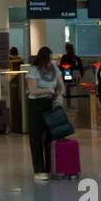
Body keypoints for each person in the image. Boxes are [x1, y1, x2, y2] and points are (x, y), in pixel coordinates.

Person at [24, 46, 66, 182]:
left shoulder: (54, 69)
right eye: (49, 58)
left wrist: (60, 95)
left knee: (51, 136)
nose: (51, 61)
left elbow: (61, 86)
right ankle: (39, 170)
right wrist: (48, 90)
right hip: (36, 105)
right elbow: (33, 89)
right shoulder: (33, 70)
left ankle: (50, 167)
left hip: (50, 104)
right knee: (36, 138)